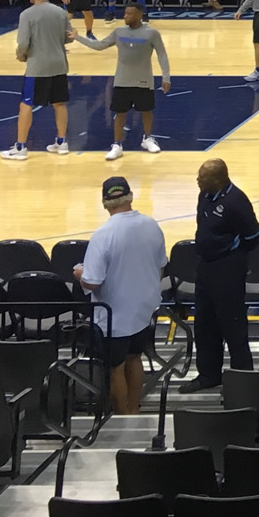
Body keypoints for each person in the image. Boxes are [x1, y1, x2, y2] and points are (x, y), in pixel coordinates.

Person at [78, 175, 166, 414]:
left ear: (104, 202)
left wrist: (79, 274)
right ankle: (134, 409)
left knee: (115, 368)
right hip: (144, 311)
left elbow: (93, 282)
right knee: (135, 358)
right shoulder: (152, 225)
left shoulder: (103, 235)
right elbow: (160, 266)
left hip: (115, 318)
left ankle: (123, 417)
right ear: (131, 196)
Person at [178, 159, 259, 390]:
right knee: (204, 324)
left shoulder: (236, 201)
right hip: (205, 267)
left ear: (218, 179)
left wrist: (232, 253)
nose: (198, 180)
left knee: (232, 324)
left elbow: (255, 235)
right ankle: (208, 375)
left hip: (228, 270)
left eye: (202, 177)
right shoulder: (204, 196)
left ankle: (242, 379)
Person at [79, 4, 172, 161]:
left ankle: (147, 138)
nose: (125, 16)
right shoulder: (119, 32)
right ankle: (117, 144)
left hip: (144, 81)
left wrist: (166, 77)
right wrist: (77, 37)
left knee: (146, 111)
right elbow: (99, 45)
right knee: (120, 113)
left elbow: (162, 55)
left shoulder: (152, 33)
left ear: (139, 15)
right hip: (122, 81)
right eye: (125, 13)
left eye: (129, 14)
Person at [3, 0, 79, 160]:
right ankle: (62, 142)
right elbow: (69, 38)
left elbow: (23, 43)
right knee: (59, 103)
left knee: (26, 104)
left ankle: (20, 147)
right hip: (59, 64)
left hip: (38, 67)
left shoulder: (27, 14)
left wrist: (21, 55)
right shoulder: (60, 12)